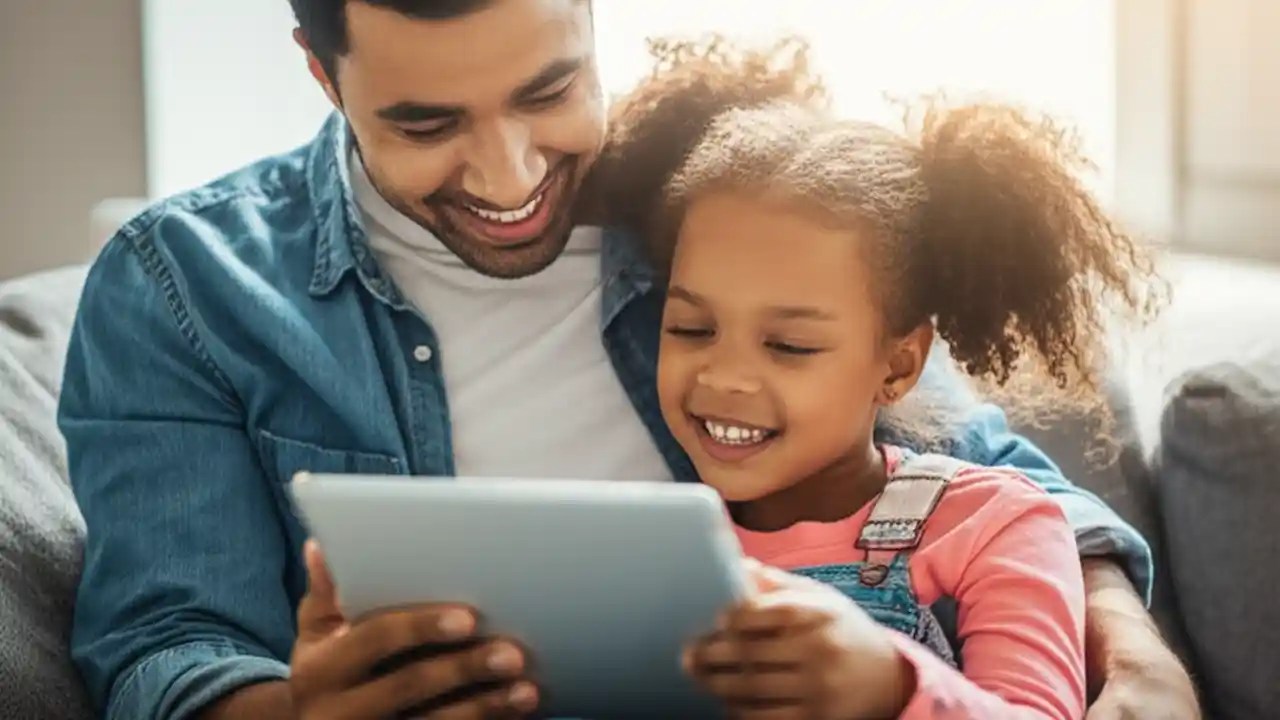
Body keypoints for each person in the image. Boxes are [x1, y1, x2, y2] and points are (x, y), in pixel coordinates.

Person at [56, 2, 1197, 719]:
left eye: (548, 92)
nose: (507, 178)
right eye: (423, 122)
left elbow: (965, 474)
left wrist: (1137, 658)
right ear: (322, 74)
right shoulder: (182, 289)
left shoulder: (715, 200)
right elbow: (165, 643)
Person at [591, 37, 1161, 719]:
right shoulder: (643, 555)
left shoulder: (992, 523)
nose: (726, 376)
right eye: (692, 329)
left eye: (788, 345)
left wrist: (894, 686)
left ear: (899, 365)